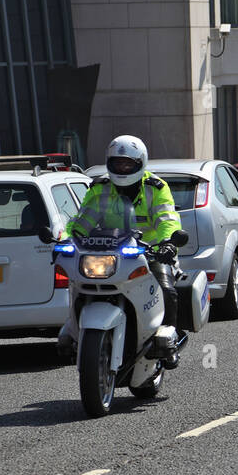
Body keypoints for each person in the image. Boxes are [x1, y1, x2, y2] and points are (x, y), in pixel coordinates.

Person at [59, 135, 185, 368]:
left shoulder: (155, 188)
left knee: (166, 287)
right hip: (109, 252)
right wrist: (68, 238)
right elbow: (83, 219)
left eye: (128, 163)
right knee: (77, 284)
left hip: (151, 251)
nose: (123, 167)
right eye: (118, 163)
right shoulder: (100, 188)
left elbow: (167, 217)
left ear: (140, 163)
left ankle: (169, 340)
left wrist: (168, 242)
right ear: (110, 163)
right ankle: (74, 333)